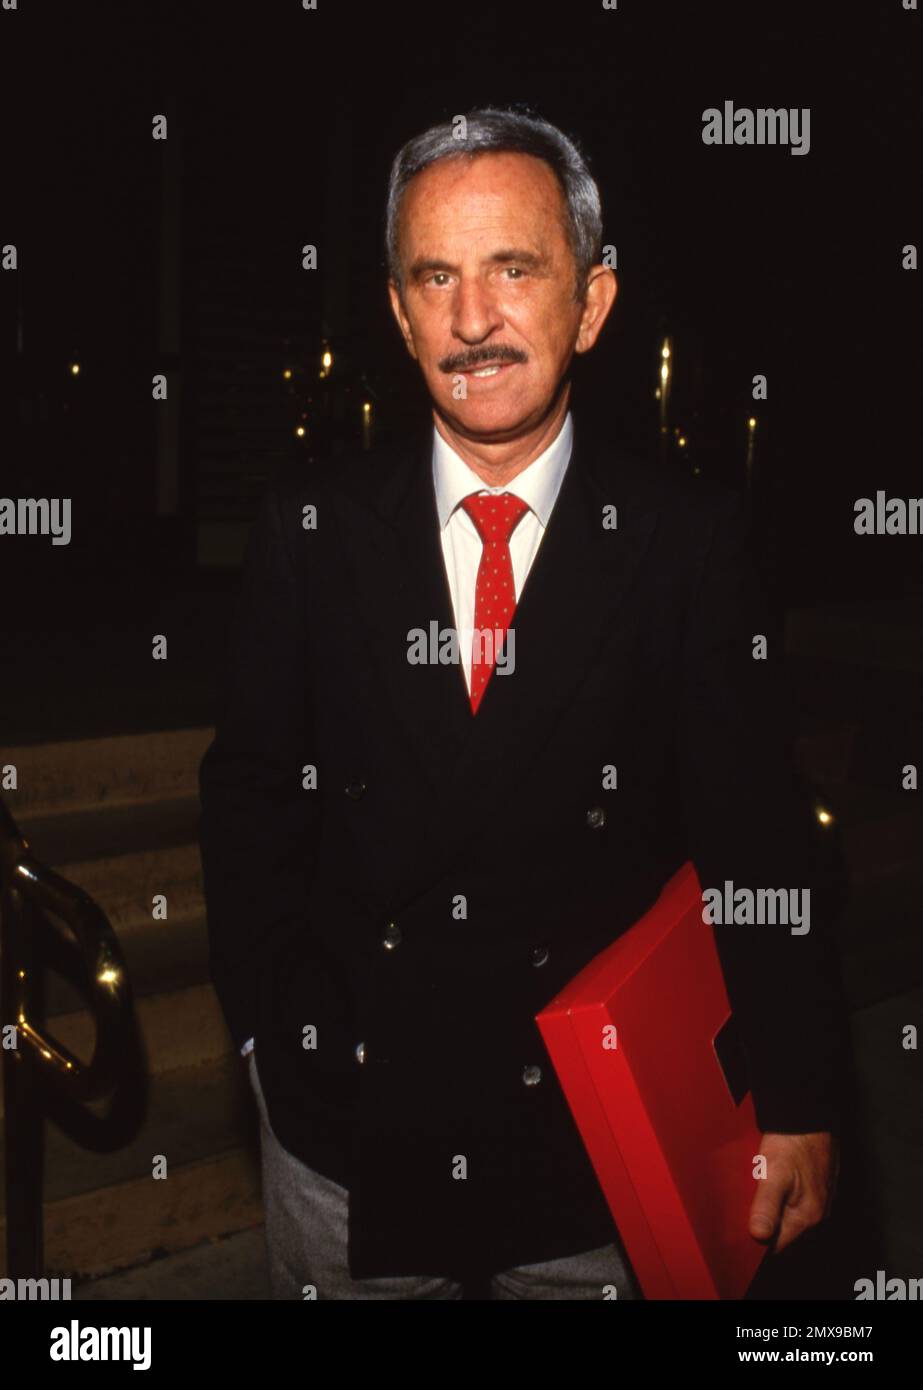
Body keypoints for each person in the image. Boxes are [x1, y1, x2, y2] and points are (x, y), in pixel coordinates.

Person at [198, 106, 848, 1300]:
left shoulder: (686, 542)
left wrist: (794, 1095)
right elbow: (247, 797)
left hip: (588, 1161)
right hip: (349, 1147)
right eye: (432, 277)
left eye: (513, 269)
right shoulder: (309, 531)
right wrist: (263, 1044)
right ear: (397, 313)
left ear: (589, 303)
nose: (471, 319)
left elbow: (752, 831)